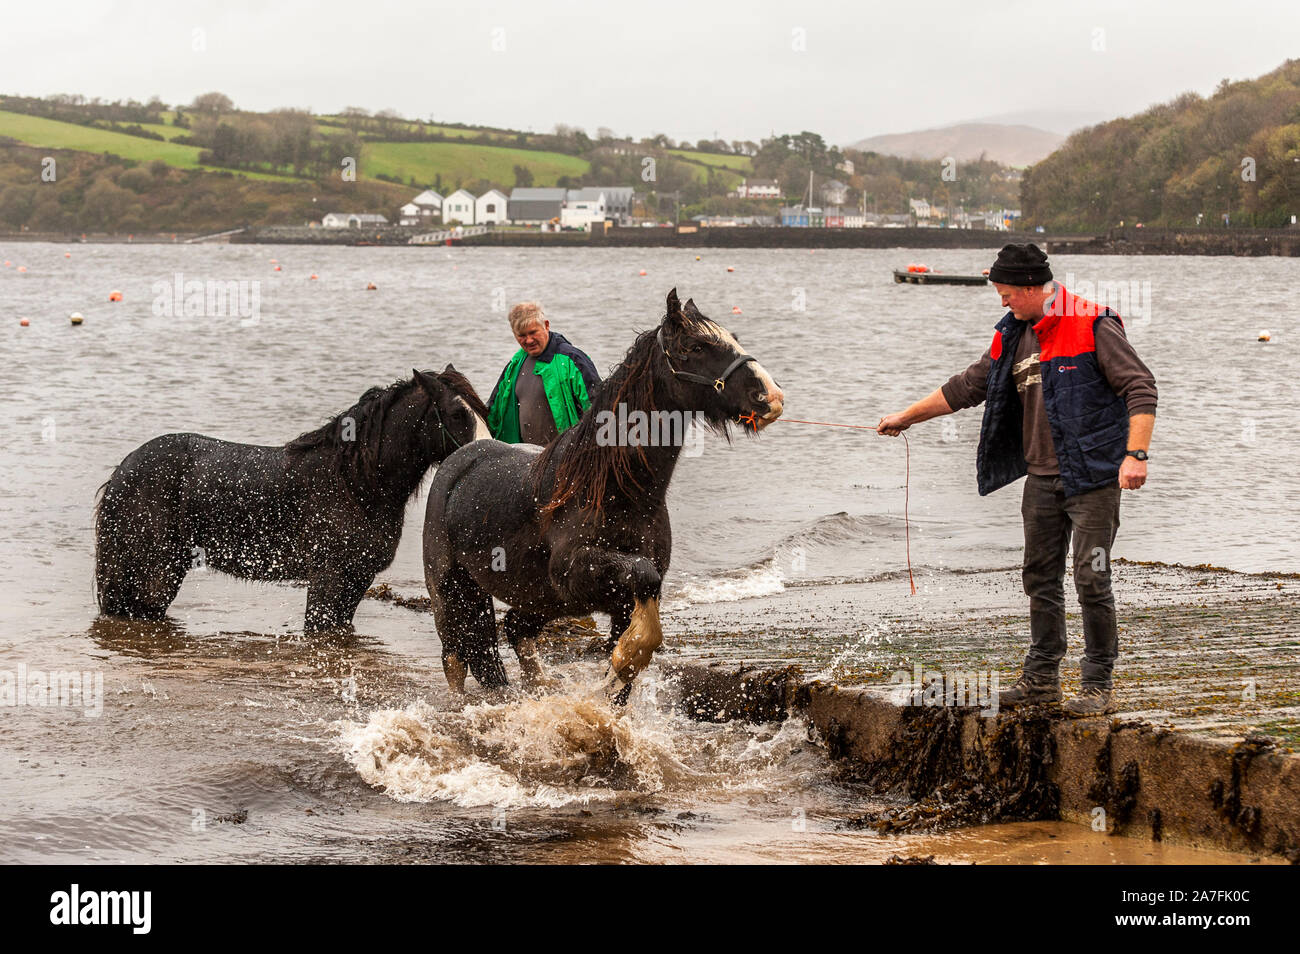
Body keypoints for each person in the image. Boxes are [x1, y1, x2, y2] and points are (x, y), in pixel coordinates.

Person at [877, 244, 1157, 716]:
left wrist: (1136, 455)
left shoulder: (1092, 322)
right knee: (1039, 577)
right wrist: (907, 416)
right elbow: (966, 387)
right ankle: (1041, 682)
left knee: (1091, 576)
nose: (1002, 302)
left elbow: (1141, 387)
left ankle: (1097, 685)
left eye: (1006, 294)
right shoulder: (1011, 336)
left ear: (1032, 287)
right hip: (1042, 479)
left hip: (1093, 478)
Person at [486, 302, 601, 445]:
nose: (528, 340)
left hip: (566, 455)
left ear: (546, 325)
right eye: (522, 335)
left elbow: (597, 407)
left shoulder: (573, 360)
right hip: (523, 458)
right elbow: (493, 413)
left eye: (533, 332)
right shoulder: (515, 365)